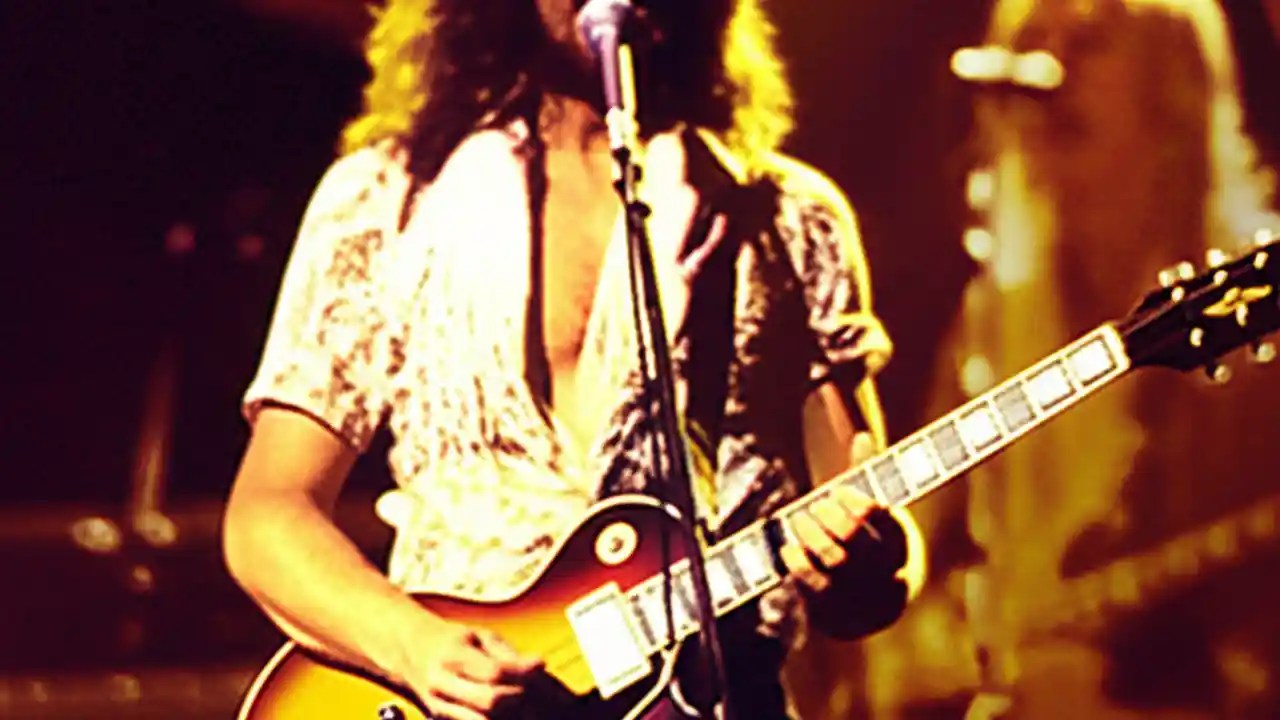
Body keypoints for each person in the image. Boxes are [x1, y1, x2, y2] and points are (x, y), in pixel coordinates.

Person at [222, 0, 920, 718]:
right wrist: (414, 646)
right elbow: (270, 514)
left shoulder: (785, 219)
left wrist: (865, 562)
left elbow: (867, 534)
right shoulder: (386, 199)